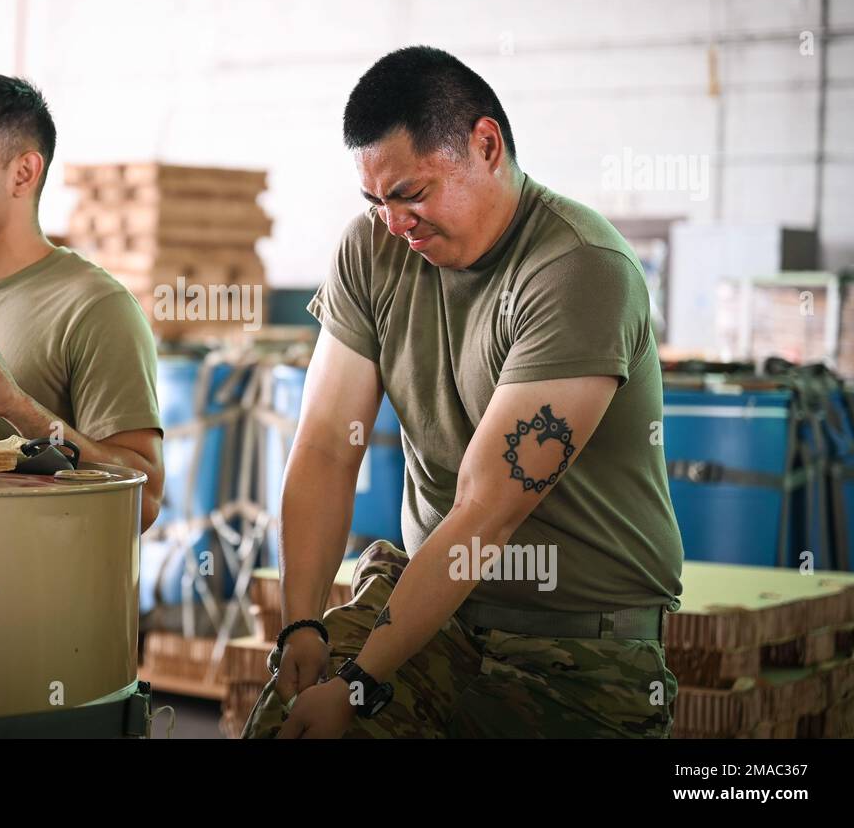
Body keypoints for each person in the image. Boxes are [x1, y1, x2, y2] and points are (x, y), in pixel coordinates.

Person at [245, 46, 683, 739]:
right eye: (375, 200)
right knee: (289, 726)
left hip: (576, 645)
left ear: (486, 145)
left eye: (413, 193)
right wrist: (302, 623)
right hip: (430, 612)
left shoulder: (579, 269)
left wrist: (359, 684)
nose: (394, 223)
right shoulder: (375, 247)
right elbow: (328, 445)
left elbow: (486, 512)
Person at [0, 73, 164, 531]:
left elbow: (146, 501)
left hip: (27, 597)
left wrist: (20, 409)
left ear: (23, 172)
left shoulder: (95, 307)